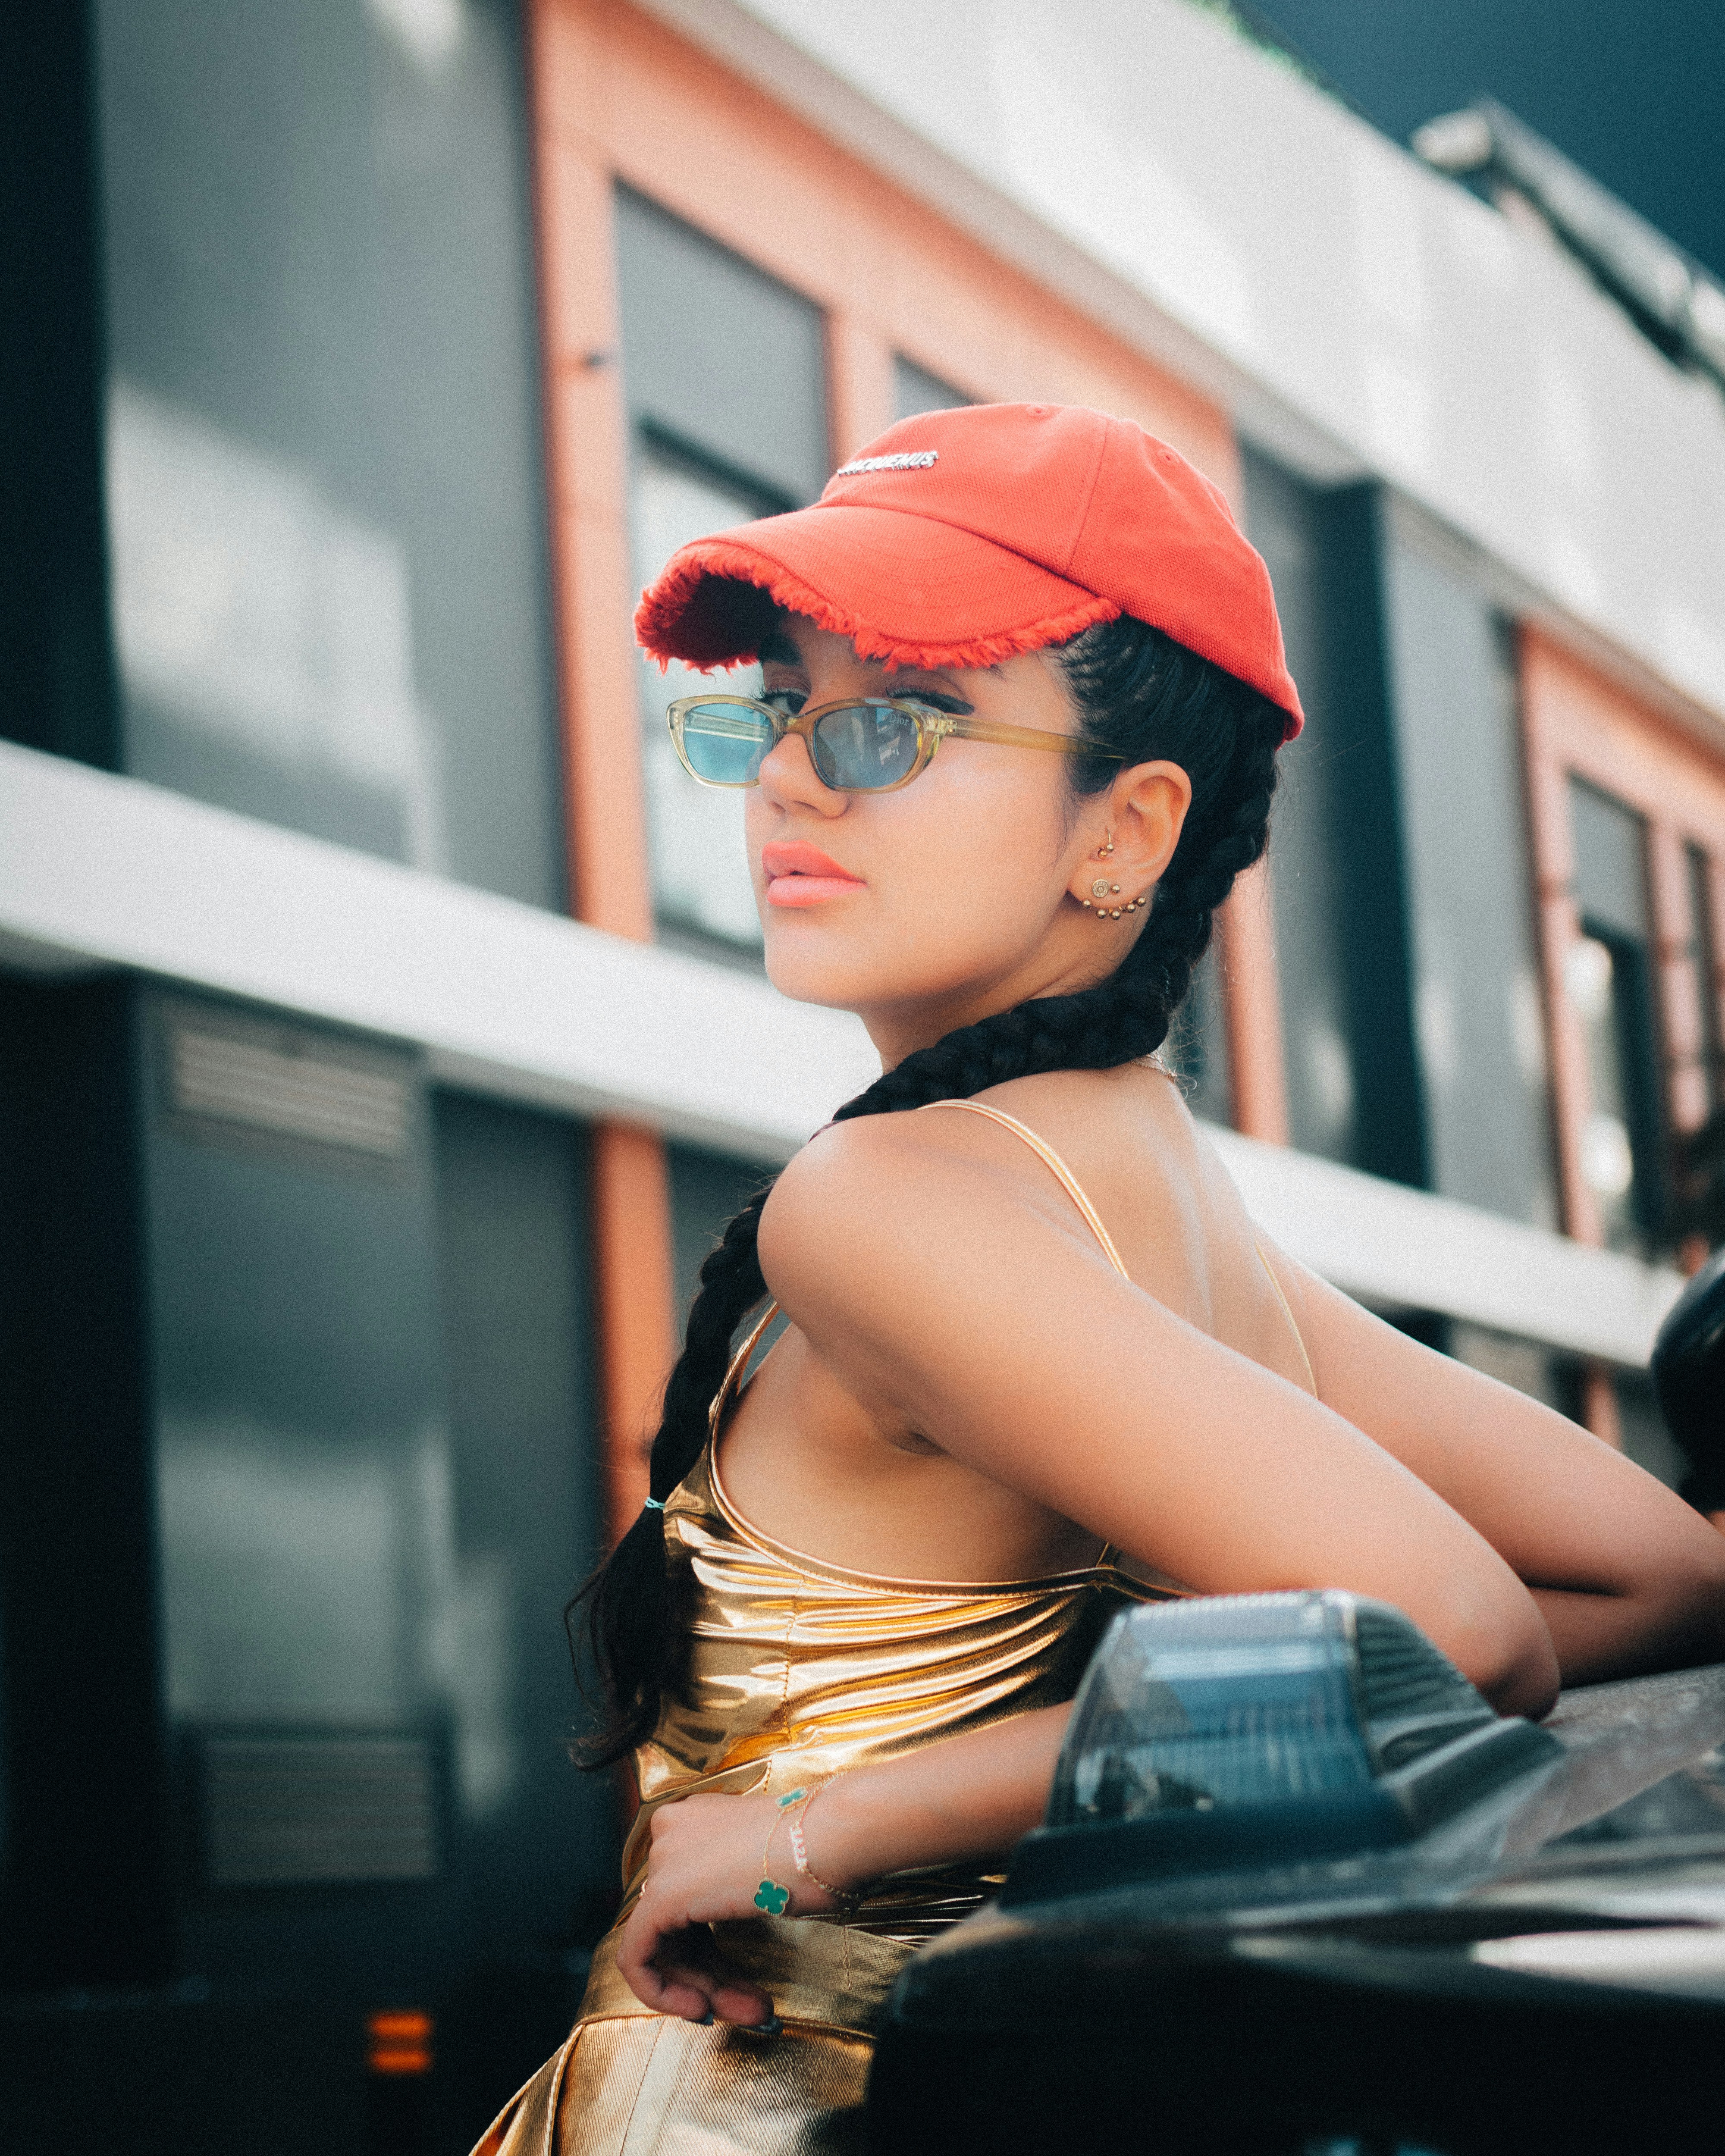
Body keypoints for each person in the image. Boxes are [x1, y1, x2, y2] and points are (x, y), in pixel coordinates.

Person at [475, 403, 1725, 2156]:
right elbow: (1665, 1570)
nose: (786, 776)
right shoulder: (1168, 1208)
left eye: (889, 721)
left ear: (1125, 827)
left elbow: (1456, 1632)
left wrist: (824, 1824)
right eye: (776, 711)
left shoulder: (886, 1196)